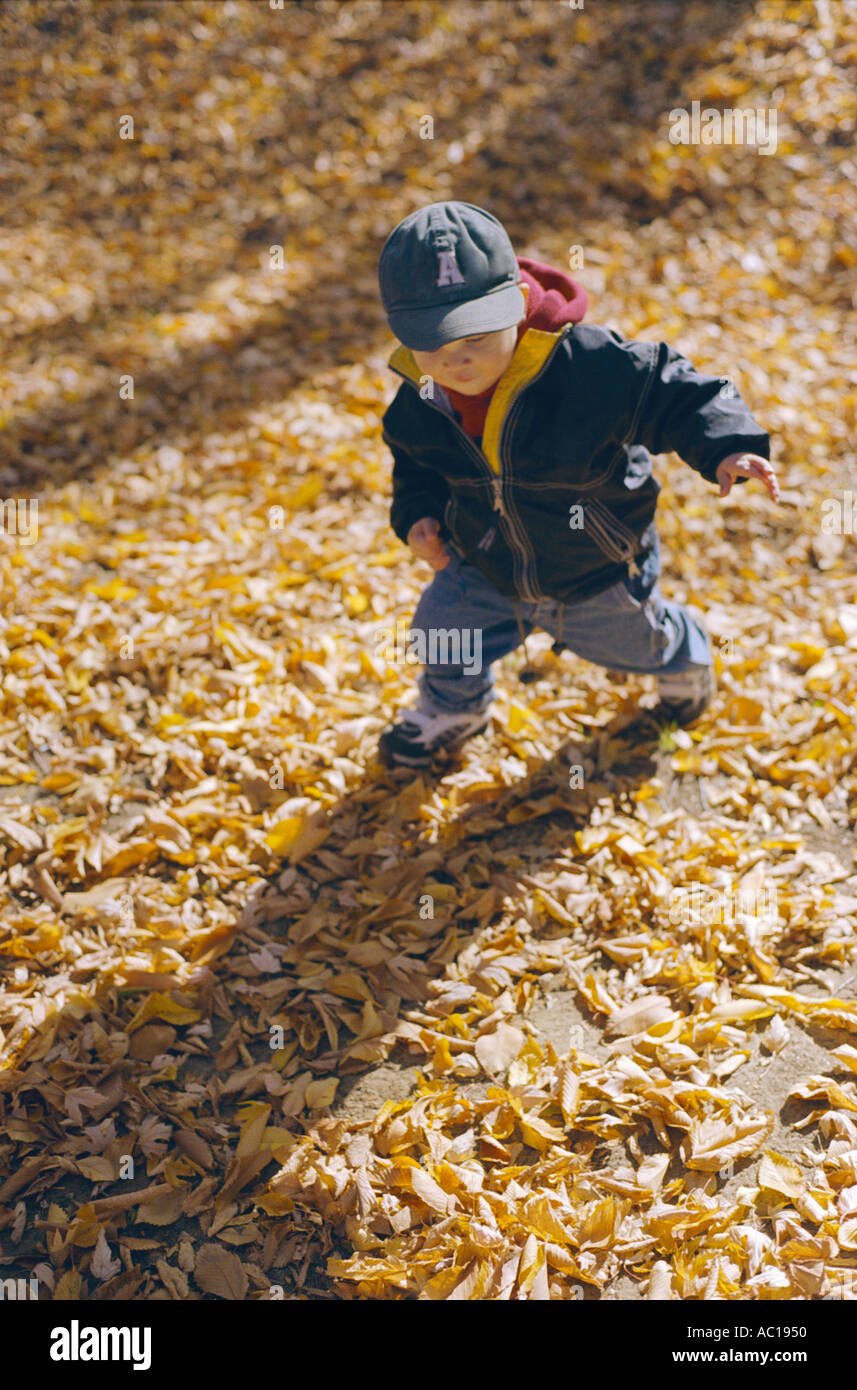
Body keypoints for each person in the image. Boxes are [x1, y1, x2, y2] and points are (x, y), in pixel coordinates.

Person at [376, 201, 780, 768]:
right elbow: (414, 463)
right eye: (434, 343)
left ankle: (686, 657)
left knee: (639, 646)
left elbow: (676, 391)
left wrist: (727, 443)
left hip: (593, 567)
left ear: (515, 305)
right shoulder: (421, 396)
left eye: (474, 336)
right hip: (484, 562)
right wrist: (417, 513)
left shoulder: (588, 366)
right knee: (441, 633)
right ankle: (454, 708)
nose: (456, 359)